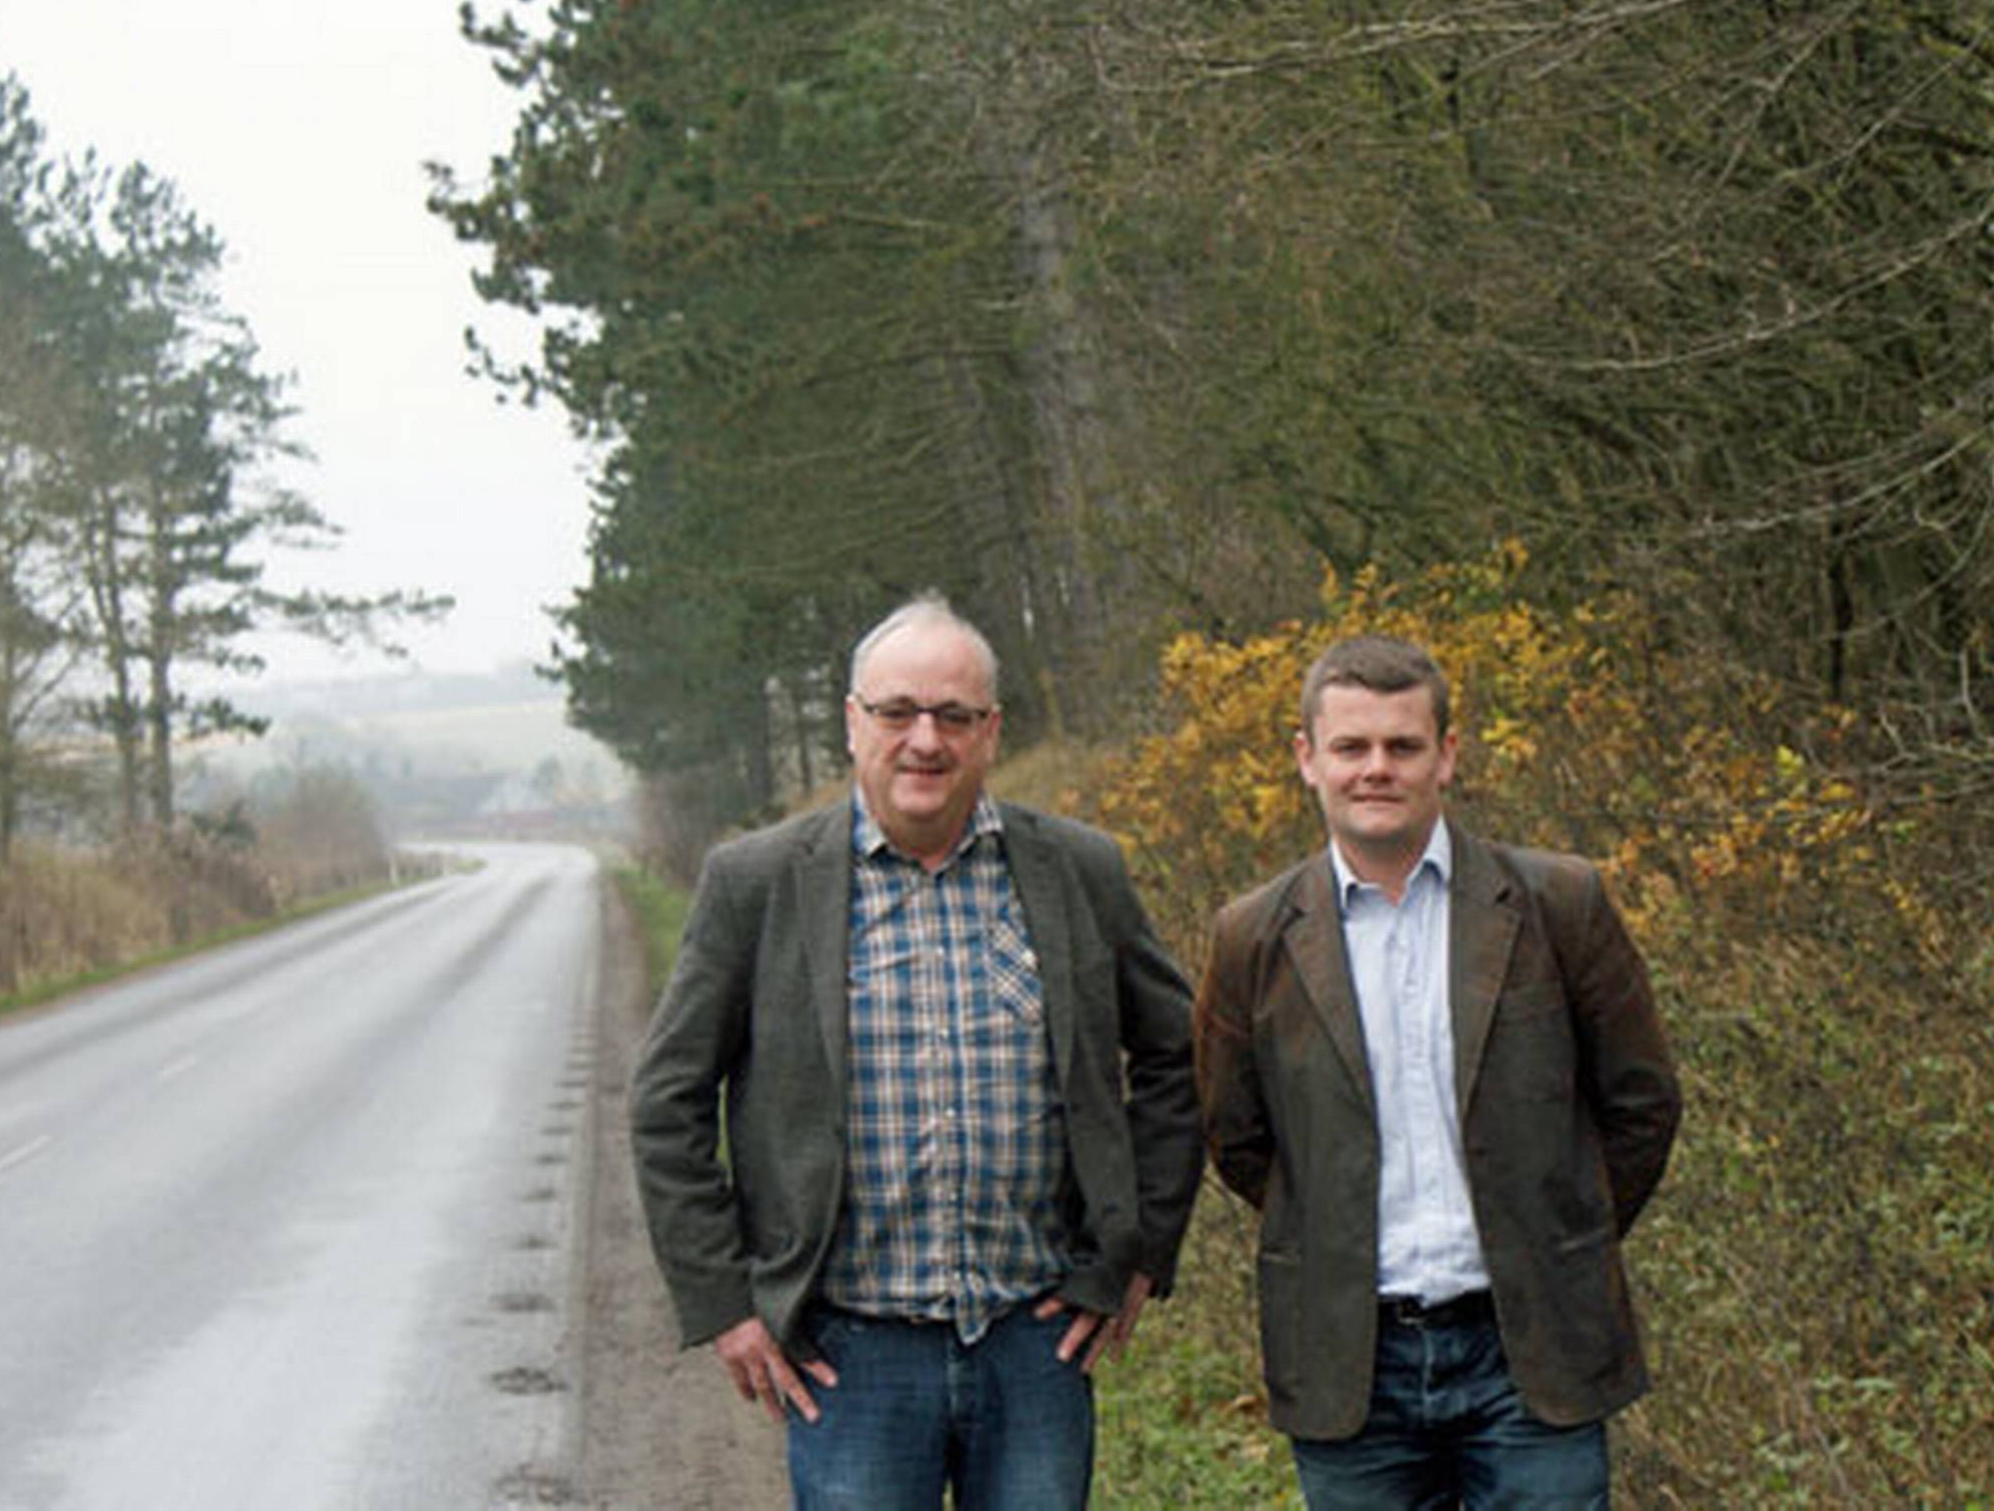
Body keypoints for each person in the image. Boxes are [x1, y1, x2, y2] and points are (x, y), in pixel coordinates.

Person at [630, 593, 1201, 1509]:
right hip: (847, 1353)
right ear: (854, 724)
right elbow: (667, 1102)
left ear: (992, 731)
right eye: (897, 712)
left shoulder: (1079, 871)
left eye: (953, 716)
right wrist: (726, 1302)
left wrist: (1138, 1251)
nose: (925, 740)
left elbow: (1178, 1058)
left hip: (1035, 1342)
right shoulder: (759, 884)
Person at [1196, 633, 1683, 1508]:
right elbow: (1236, 1134)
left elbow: (1640, 1103)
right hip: (1351, 1359)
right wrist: (1337, 1234)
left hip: (1531, 1346)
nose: (1375, 768)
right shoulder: (1252, 937)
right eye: (1351, 746)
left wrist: (1561, 1232)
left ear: (1446, 756)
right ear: (1308, 759)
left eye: (1402, 745)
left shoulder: (1556, 904)